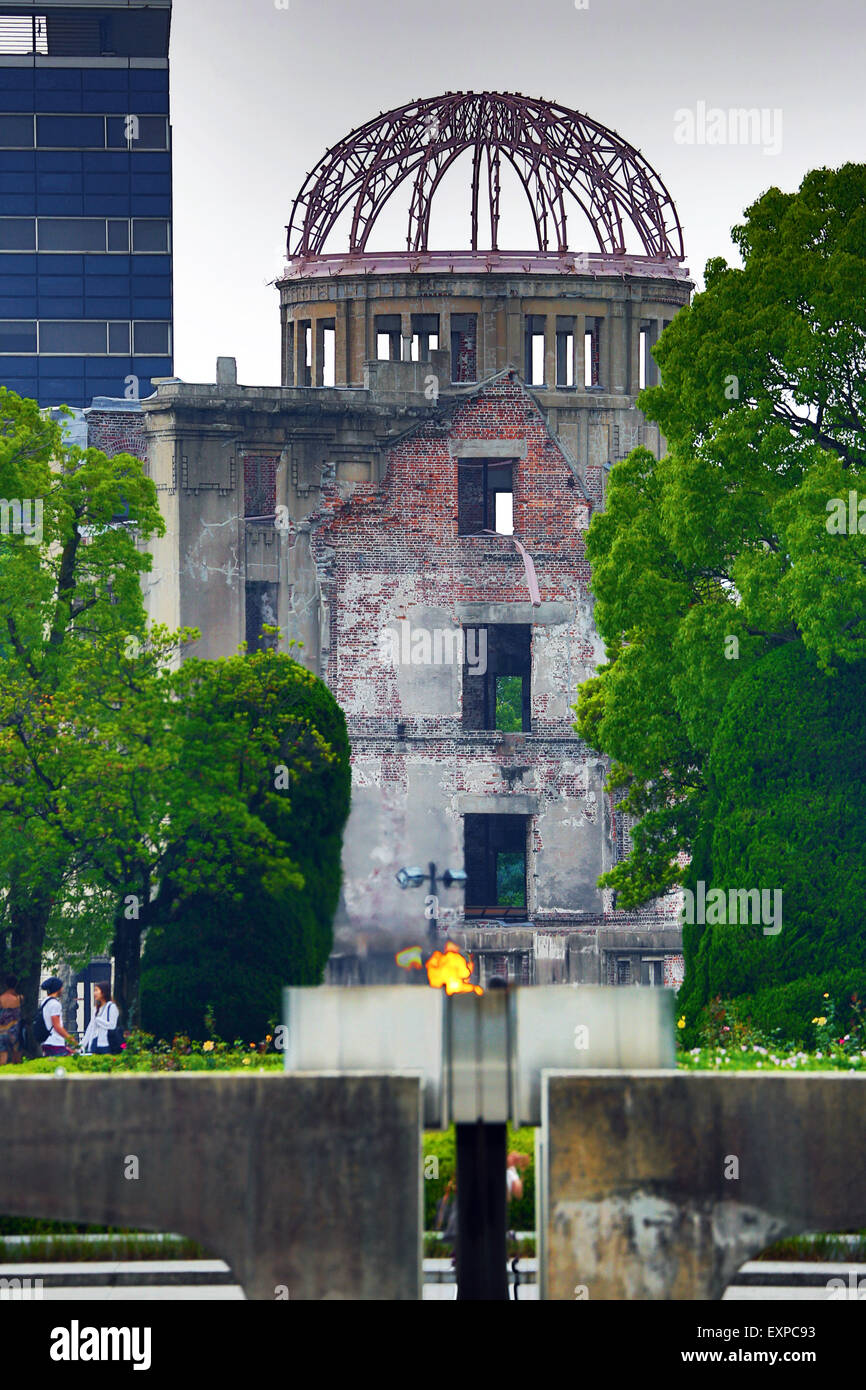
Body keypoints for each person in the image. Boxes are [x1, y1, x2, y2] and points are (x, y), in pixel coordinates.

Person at [81, 981, 120, 1055]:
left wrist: (98, 1020)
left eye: (96, 990)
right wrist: (82, 1045)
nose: (94, 993)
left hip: (107, 1045)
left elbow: (112, 1026)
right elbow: (90, 1027)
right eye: (94, 991)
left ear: (104, 992)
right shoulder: (96, 1008)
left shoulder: (111, 1007)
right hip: (94, 1044)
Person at [40, 977, 75, 1057]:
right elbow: (57, 1026)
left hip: (46, 1041)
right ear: (58, 988)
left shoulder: (44, 1002)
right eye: (61, 987)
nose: (62, 989)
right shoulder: (55, 1004)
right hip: (55, 1042)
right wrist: (71, 1040)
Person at [0, 975, 22, 1065]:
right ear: (16, 984)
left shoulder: (1, 998)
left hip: (2, 1031)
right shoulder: (19, 998)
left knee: (2, 1060)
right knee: (16, 1060)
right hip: (15, 1031)